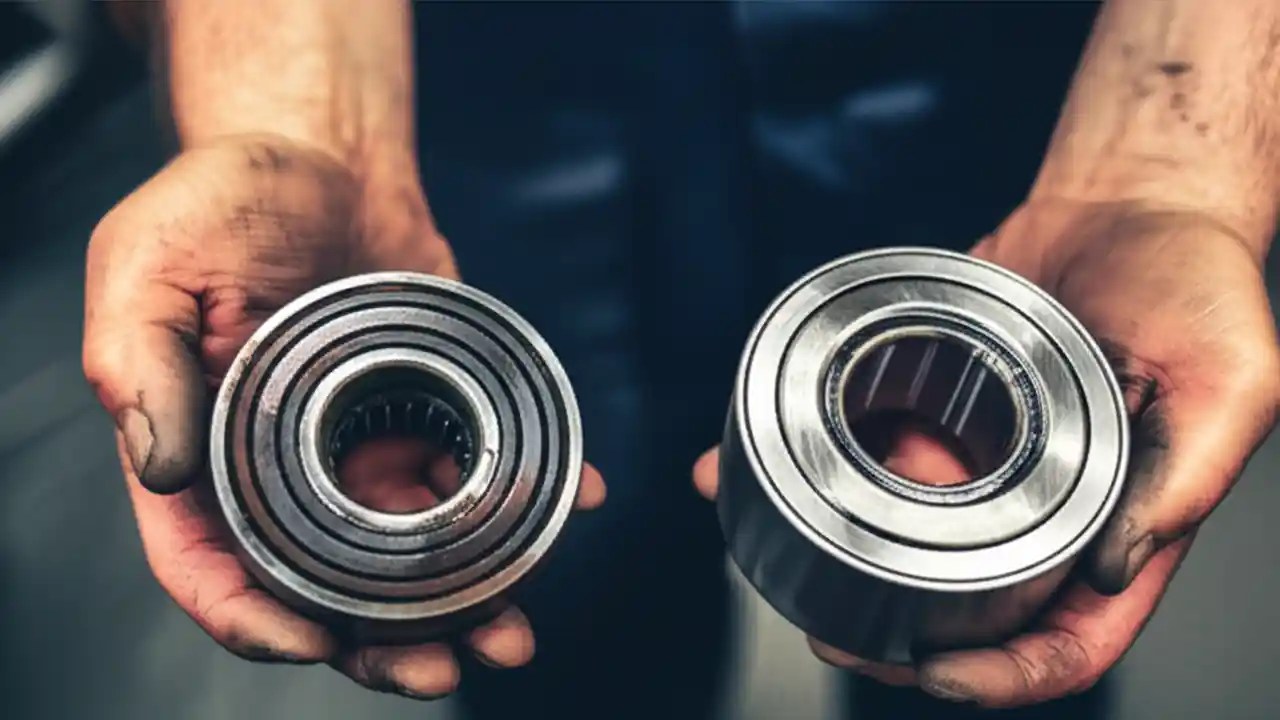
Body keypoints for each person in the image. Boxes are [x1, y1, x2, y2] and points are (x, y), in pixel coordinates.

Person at [82, 0, 1279, 716]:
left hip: (993, 87)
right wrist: (290, 107)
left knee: (990, 625)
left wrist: (1174, 153)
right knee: (553, 603)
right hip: (476, 106)